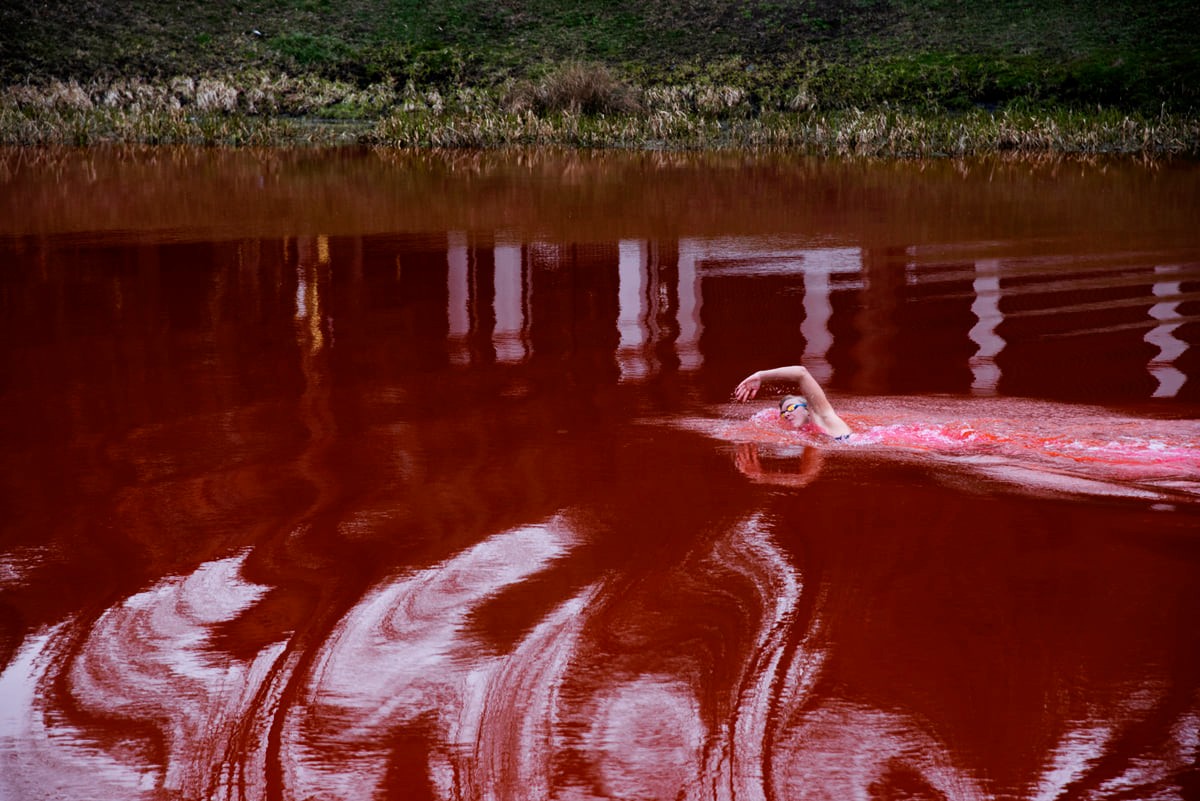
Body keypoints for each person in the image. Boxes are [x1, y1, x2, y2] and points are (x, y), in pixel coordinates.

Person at [734, 365, 853, 441]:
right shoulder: (808, 434)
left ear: (807, 409)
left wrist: (760, 375)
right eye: (783, 413)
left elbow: (802, 373)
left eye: (791, 408)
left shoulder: (825, 417)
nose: (786, 414)